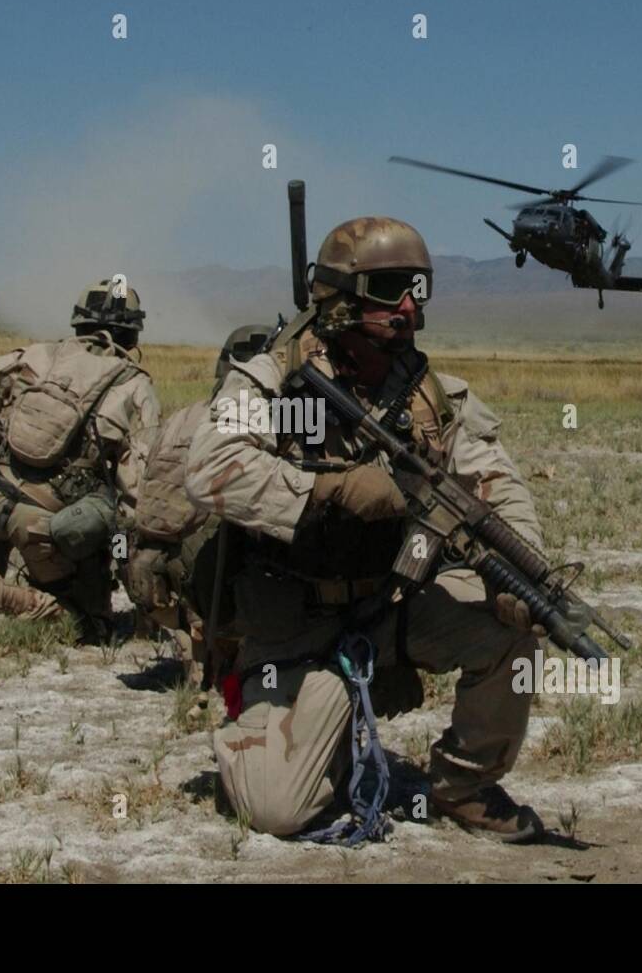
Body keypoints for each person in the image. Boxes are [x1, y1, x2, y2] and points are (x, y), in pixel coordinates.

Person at [185, 217, 548, 840]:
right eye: (389, 288)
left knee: (512, 631)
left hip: (384, 608)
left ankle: (463, 785)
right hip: (291, 627)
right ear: (340, 297)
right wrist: (328, 490)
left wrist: (527, 570)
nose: (408, 306)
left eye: (418, 288)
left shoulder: (429, 394)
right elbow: (209, 465)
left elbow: (496, 483)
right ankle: (275, 716)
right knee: (278, 812)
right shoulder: (275, 380)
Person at [0, 280, 160, 631]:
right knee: (90, 624)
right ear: (132, 336)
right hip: (43, 528)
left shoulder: (35, 355)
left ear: (78, 322)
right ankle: (6, 597)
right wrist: (128, 554)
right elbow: (138, 484)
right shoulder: (134, 385)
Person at [127, 324, 273, 688]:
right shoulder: (259, 424)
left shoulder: (181, 417)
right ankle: (216, 648)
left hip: (144, 574)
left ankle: (189, 636)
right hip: (201, 580)